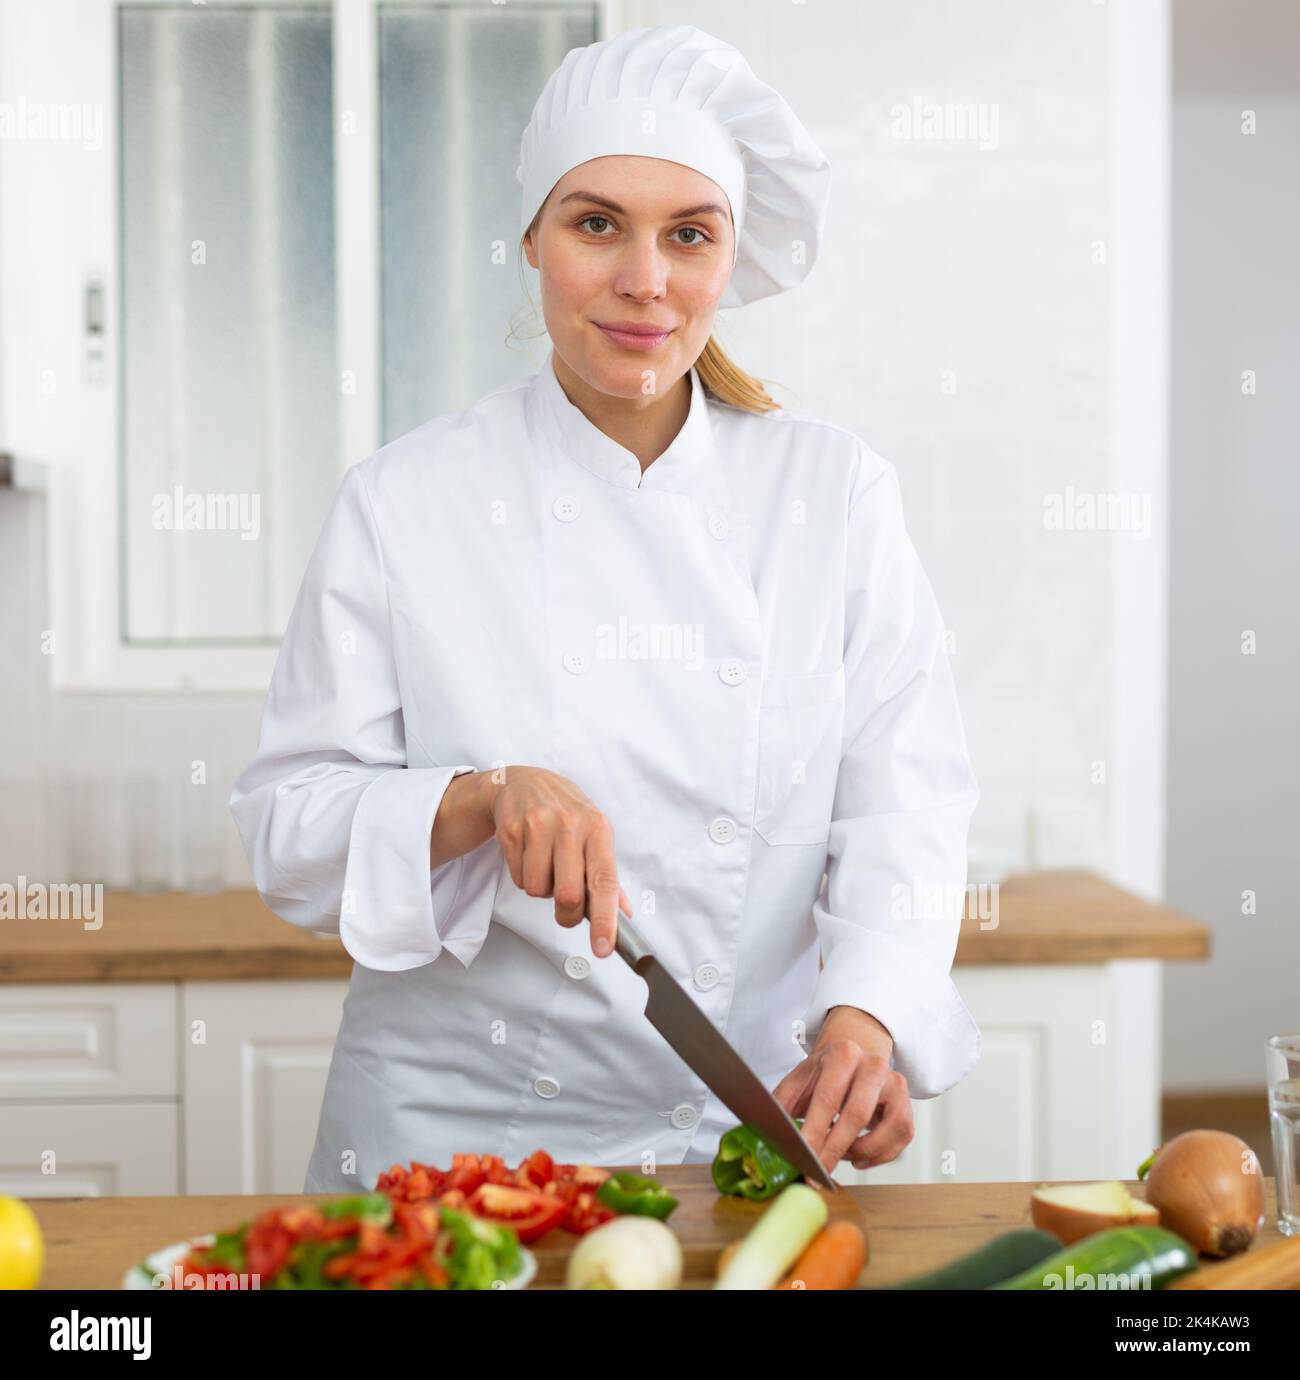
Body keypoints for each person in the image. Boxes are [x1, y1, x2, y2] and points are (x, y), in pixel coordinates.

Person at [231, 22, 980, 1194]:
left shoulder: (831, 494)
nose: (645, 280)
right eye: (596, 225)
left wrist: (863, 1024)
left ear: (730, 257)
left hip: (741, 1125)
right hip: (449, 1143)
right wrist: (475, 800)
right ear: (531, 238)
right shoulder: (406, 501)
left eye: (689, 234)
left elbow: (907, 808)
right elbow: (286, 833)